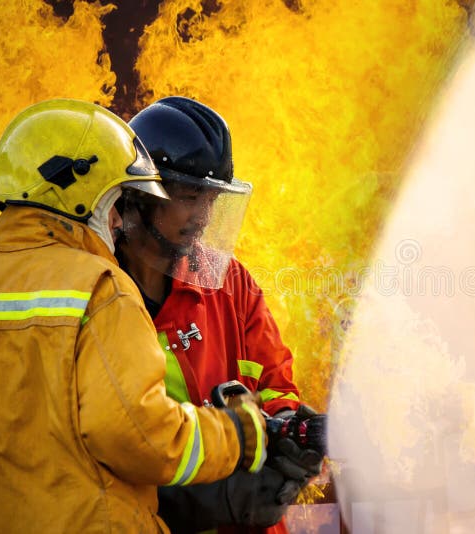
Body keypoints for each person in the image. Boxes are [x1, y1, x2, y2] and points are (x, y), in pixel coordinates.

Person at [0, 99, 268, 533]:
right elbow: (140, 436)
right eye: (115, 200)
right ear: (81, 199)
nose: (119, 219)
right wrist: (236, 435)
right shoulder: (100, 286)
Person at [115, 96, 323, 533]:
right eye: (191, 197)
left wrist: (287, 429)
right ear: (141, 195)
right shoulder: (100, 294)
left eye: (212, 200)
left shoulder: (228, 281)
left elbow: (275, 383)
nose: (204, 216)